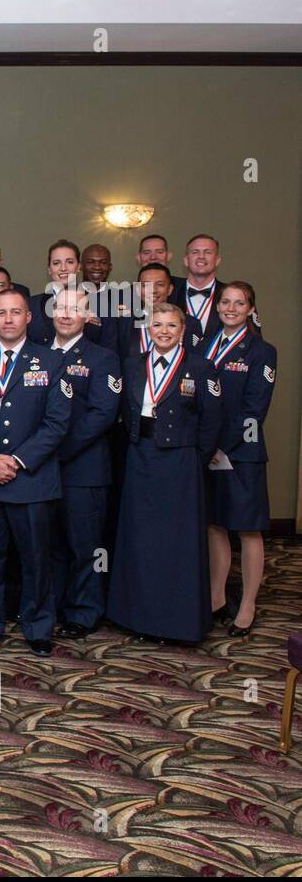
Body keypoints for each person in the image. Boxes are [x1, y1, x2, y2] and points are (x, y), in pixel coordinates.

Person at [107, 302, 222, 645]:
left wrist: (192, 457)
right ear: (148, 329)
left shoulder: (201, 367)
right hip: (140, 457)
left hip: (181, 463)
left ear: (182, 331)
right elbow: (126, 414)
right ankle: (138, 617)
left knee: (177, 544)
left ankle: (178, 623)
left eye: (172, 325)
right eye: (157, 325)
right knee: (140, 541)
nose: (164, 331)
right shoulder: (131, 365)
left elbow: (213, 421)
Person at [0, 289, 74, 656]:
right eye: (1, 313)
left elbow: (57, 423)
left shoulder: (51, 361)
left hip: (32, 480)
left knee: (36, 560)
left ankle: (38, 627)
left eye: (16, 312)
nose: (8, 319)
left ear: (29, 317)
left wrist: (15, 460)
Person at [47, 288, 122, 639]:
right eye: (60, 307)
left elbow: (103, 413)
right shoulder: (37, 356)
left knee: (88, 546)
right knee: (52, 545)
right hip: (42, 471)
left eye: (75, 309)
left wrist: (56, 449)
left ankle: (85, 610)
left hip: (83, 469)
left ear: (88, 316)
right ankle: (56, 605)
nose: (66, 314)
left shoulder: (103, 358)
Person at [203, 282, 276, 636]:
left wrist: (221, 446)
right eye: (226, 302)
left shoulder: (262, 351)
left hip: (241, 453)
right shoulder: (204, 345)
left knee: (247, 528)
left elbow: (254, 411)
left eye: (239, 303)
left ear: (250, 309)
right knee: (215, 524)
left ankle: (247, 604)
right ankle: (217, 597)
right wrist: (206, 447)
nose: (231, 308)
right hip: (208, 452)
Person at [28, 239, 81, 345]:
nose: (63, 268)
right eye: (56, 263)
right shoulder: (31, 304)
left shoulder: (95, 303)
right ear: (49, 269)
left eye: (70, 262)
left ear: (78, 267)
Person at [175, 233, 226, 338]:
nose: (201, 257)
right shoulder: (170, 292)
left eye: (208, 252)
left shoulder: (232, 294)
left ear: (217, 260)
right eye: (195, 252)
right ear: (186, 260)